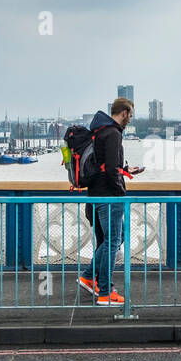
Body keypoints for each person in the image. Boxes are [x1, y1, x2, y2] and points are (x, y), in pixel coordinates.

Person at [79, 98, 138, 306]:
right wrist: (121, 191)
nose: (130, 119)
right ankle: (105, 291)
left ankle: (89, 276)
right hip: (110, 196)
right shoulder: (112, 133)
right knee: (113, 240)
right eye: (130, 115)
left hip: (95, 194)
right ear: (124, 112)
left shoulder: (99, 130)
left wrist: (125, 171)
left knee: (113, 238)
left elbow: (105, 166)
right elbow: (111, 169)